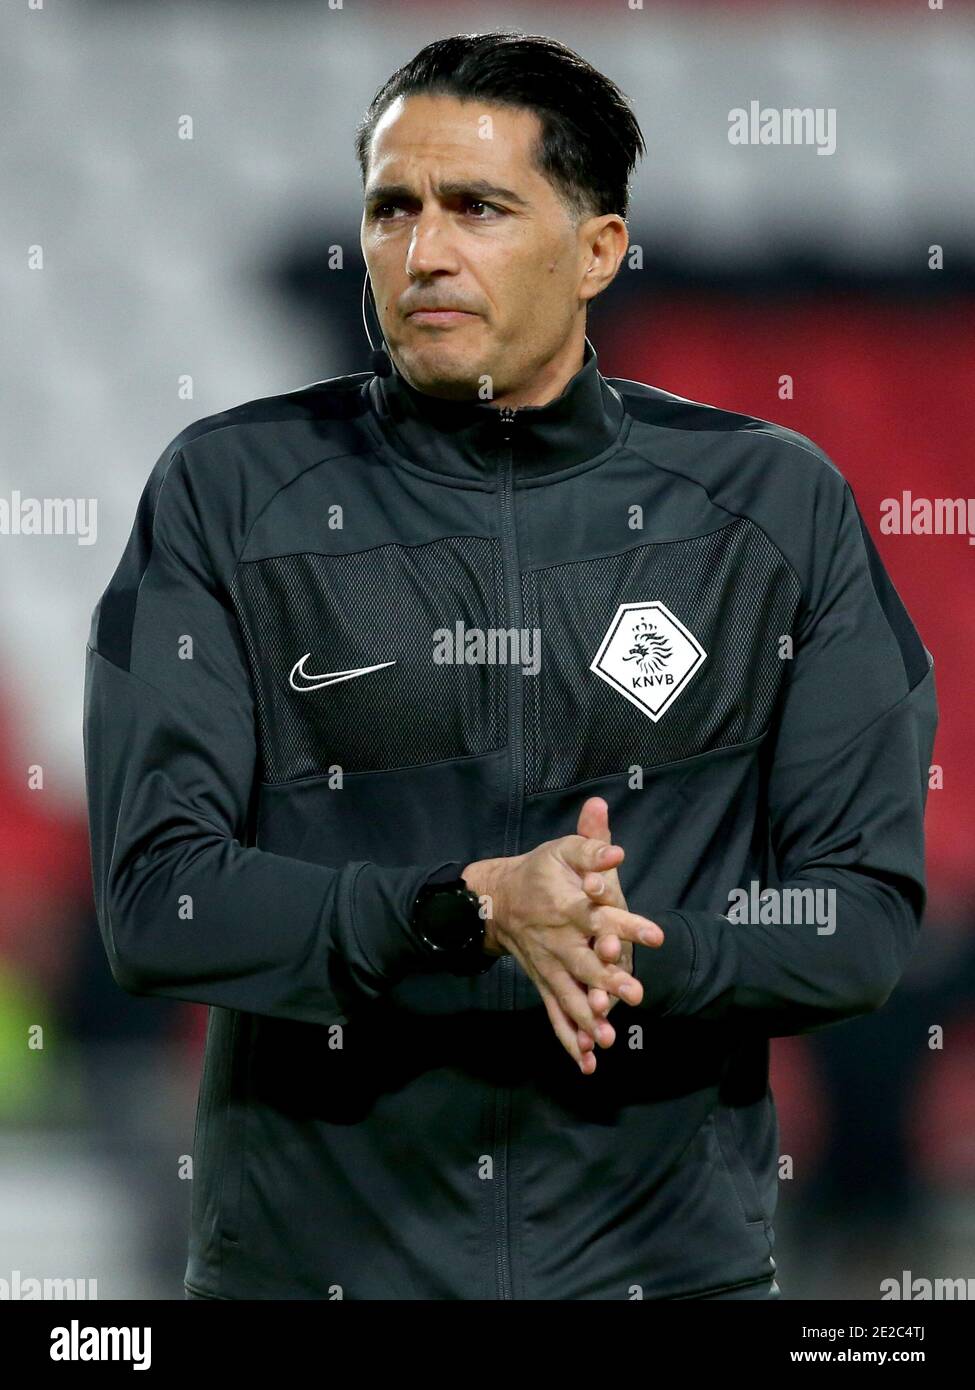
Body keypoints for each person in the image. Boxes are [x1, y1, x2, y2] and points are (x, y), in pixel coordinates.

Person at [82, 31, 937, 1301]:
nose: (422, 253)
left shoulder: (770, 509)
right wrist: (466, 908)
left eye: (477, 208)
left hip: (667, 1279)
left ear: (598, 250)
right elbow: (160, 902)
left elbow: (859, 924)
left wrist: (622, 947)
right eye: (391, 209)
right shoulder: (232, 491)